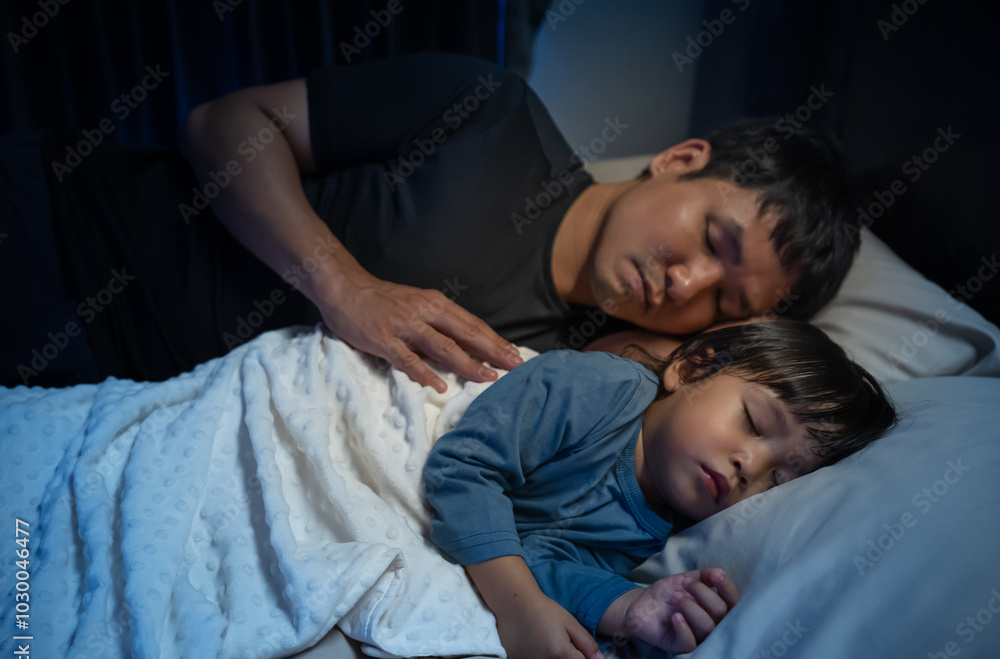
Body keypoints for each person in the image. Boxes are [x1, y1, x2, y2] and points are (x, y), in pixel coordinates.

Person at [4, 53, 857, 389]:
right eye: (714, 243)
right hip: (59, 228)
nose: (687, 284)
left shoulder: (553, 361)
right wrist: (348, 291)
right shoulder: (491, 114)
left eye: (721, 300)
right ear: (678, 160)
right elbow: (221, 126)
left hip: (99, 388)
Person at [423, 320, 897, 659]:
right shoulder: (599, 390)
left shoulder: (661, 532)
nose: (749, 466)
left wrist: (632, 608)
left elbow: (542, 561)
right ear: (691, 370)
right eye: (753, 423)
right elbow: (465, 467)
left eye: (776, 480)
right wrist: (517, 605)